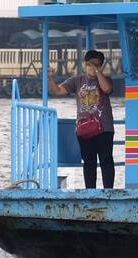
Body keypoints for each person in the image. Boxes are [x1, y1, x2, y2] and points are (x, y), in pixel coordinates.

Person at [49, 50, 115, 189]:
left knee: (106, 160)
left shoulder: (104, 78)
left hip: (104, 128)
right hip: (85, 129)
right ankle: (90, 192)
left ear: (101, 66)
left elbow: (107, 89)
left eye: (96, 65)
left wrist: (98, 72)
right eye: (90, 65)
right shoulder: (77, 80)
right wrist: (50, 79)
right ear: (85, 65)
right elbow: (59, 91)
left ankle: (109, 191)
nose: (92, 68)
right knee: (89, 162)